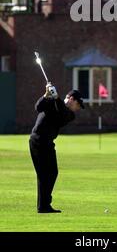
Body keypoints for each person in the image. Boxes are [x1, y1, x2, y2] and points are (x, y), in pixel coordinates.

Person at [29, 84, 84, 213]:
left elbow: (62, 114)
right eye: (78, 105)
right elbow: (38, 107)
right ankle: (44, 206)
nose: (78, 108)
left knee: (51, 172)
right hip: (38, 141)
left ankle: (44, 205)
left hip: (47, 143)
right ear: (71, 99)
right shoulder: (51, 101)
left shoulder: (69, 115)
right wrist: (46, 95)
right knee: (45, 174)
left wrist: (56, 98)